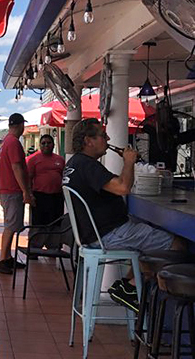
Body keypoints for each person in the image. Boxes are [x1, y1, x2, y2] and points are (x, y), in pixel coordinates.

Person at [62, 117, 184, 311]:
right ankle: (132, 287)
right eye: (103, 135)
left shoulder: (75, 163)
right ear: (88, 141)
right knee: (178, 245)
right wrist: (129, 161)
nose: (108, 138)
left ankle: (127, 285)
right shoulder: (88, 165)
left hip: (95, 233)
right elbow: (123, 187)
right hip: (108, 234)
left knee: (148, 237)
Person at [0, 113, 33, 274]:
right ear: (19, 125)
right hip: (12, 190)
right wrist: (25, 191)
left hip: (7, 189)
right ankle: (3, 259)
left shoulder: (6, 141)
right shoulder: (13, 143)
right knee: (11, 225)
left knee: (11, 224)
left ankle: (7, 257)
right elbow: (17, 167)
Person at [26, 134, 65, 226]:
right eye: (43, 143)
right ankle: (39, 240)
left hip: (57, 197)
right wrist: (29, 194)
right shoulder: (33, 159)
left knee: (56, 223)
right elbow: (29, 178)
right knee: (39, 224)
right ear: (39, 145)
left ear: (53, 145)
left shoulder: (60, 159)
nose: (46, 145)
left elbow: (64, 176)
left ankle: (54, 240)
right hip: (40, 197)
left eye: (49, 143)